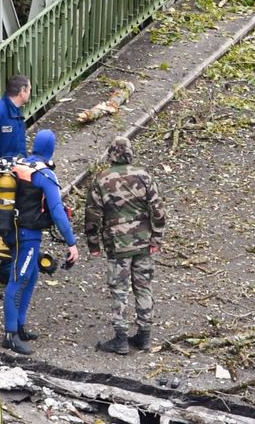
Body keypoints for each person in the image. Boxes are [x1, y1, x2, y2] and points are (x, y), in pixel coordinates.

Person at [85, 135, 167, 355]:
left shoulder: (101, 180)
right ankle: (145, 335)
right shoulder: (144, 176)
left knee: (119, 290)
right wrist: (156, 238)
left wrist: (93, 244)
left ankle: (121, 338)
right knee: (143, 286)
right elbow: (157, 209)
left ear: (111, 154)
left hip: (117, 244)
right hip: (143, 242)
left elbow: (93, 216)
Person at [1, 129, 80, 354]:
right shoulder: (44, 175)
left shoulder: (20, 165)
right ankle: (10, 334)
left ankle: (20, 325)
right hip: (27, 235)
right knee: (18, 279)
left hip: (12, 231)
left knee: (32, 275)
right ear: (51, 149)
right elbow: (57, 211)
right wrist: (71, 242)